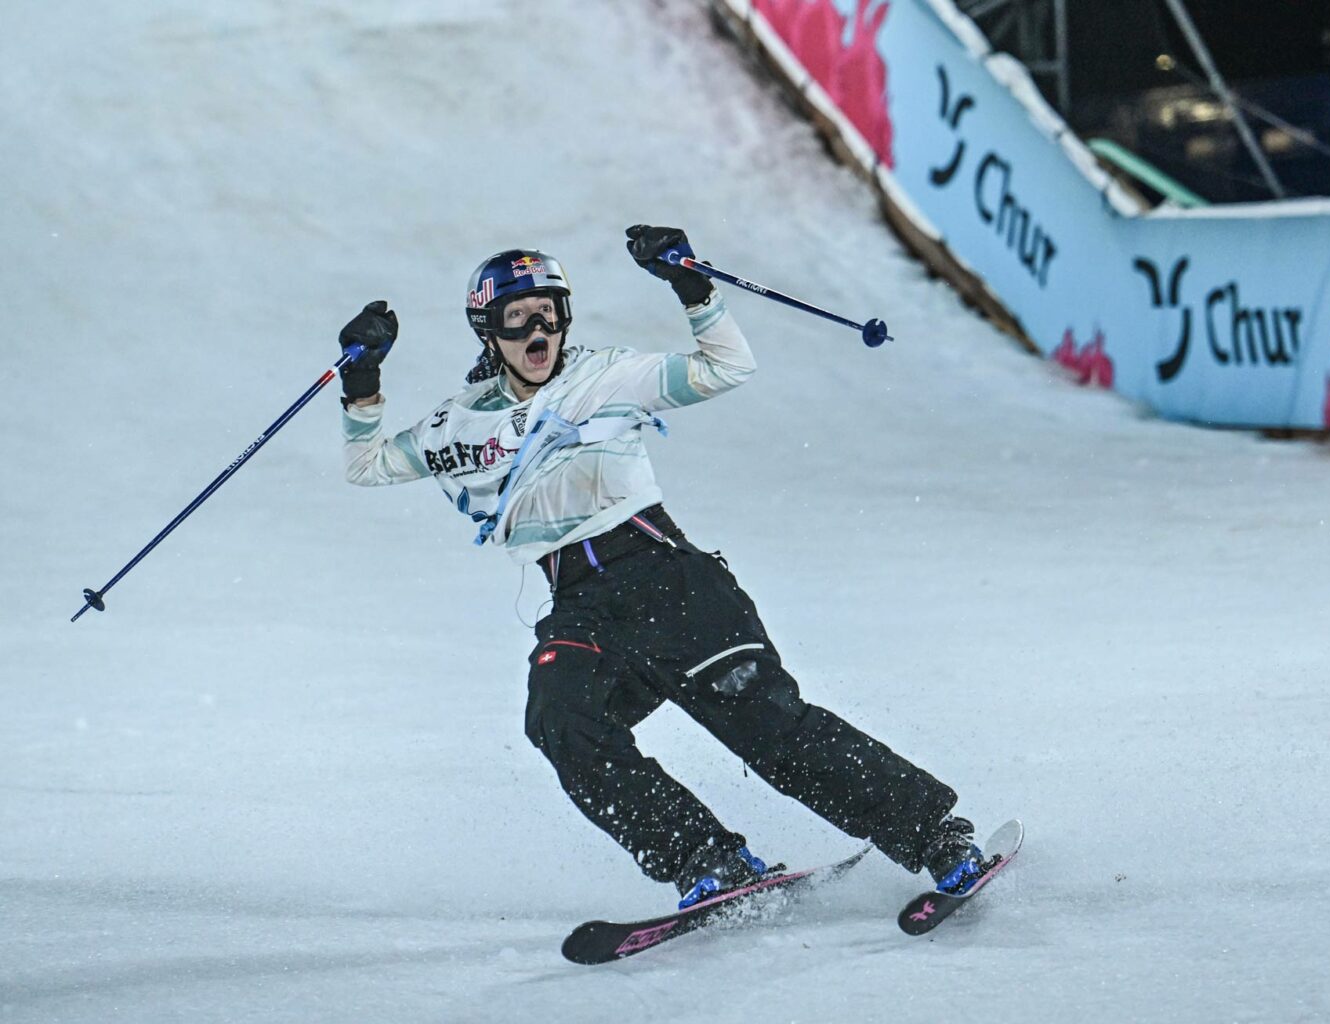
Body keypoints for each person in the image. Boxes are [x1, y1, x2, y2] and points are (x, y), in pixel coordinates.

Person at [337, 225, 983, 908]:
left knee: (770, 730)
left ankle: (937, 837)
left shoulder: (607, 375)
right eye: (517, 318)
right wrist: (362, 378)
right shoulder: (457, 426)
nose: (539, 331)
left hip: (669, 582)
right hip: (581, 604)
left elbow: (726, 367)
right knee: (561, 721)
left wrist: (692, 285)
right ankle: (705, 857)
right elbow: (367, 465)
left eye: (550, 314)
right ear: (487, 331)